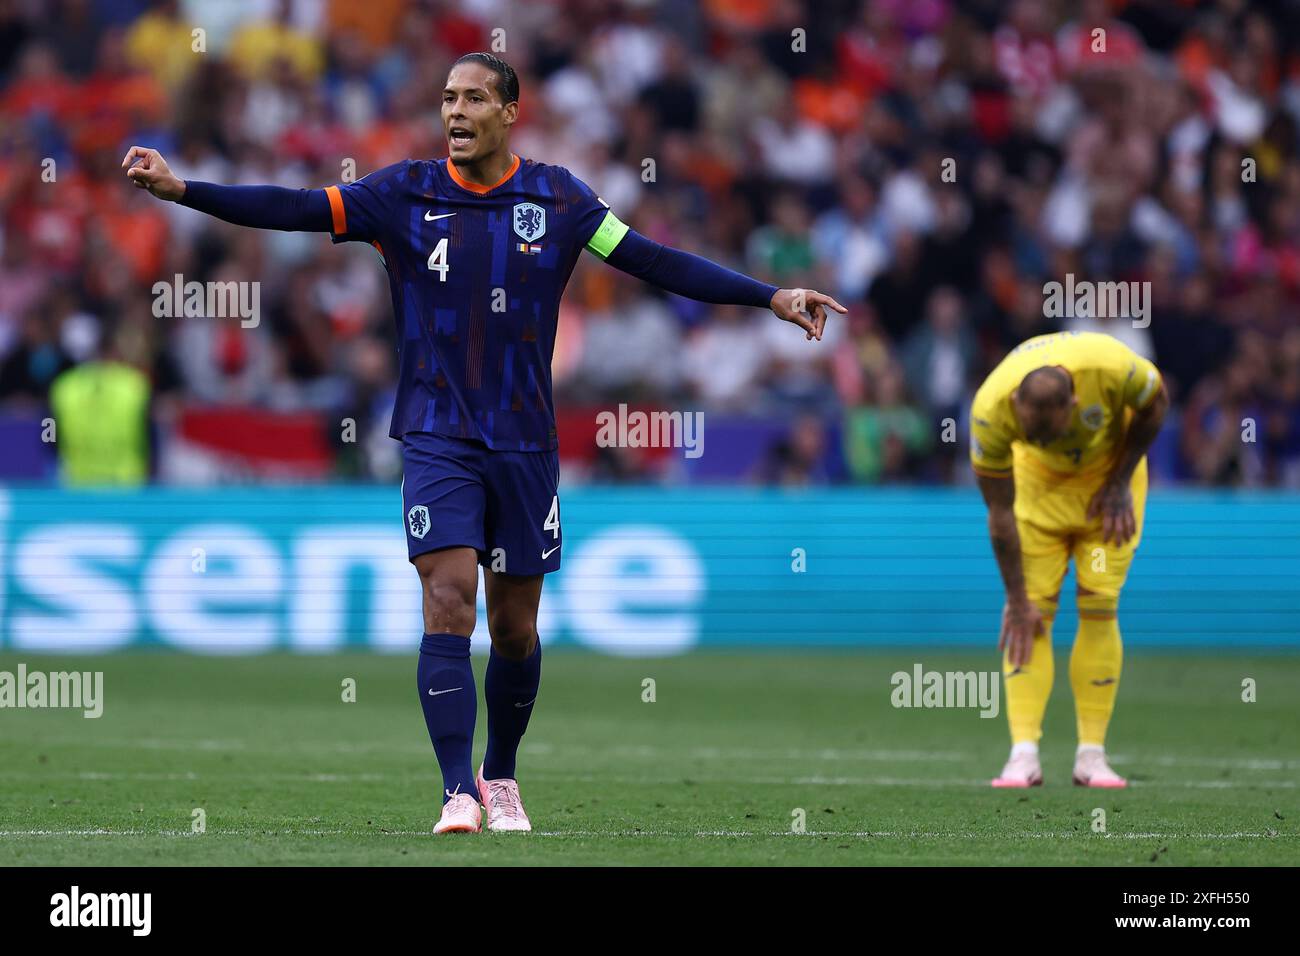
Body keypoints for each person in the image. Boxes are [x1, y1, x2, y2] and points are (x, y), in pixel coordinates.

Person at [123, 52, 845, 833]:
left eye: (473, 99)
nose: (456, 112)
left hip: (526, 442)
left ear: (509, 113)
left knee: (514, 628)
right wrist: (183, 189)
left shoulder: (561, 200)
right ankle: (455, 789)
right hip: (436, 434)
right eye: (446, 98)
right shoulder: (401, 193)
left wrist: (768, 294)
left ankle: (500, 773)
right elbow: (294, 206)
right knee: (447, 601)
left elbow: (654, 261)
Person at [970, 331, 1168, 788]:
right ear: (1016, 402)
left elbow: (1158, 403)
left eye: (1049, 432)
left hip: (1108, 493)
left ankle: (1091, 757)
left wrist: (1120, 481)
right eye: (1030, 433)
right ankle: (1023, 756)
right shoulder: (989, 411)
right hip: (1039, 497)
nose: (1039, 438)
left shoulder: (1112, 366)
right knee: (1030, 615)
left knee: (1099, 603)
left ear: (1075, 404)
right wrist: (1015, 596)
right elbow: (999, 515)